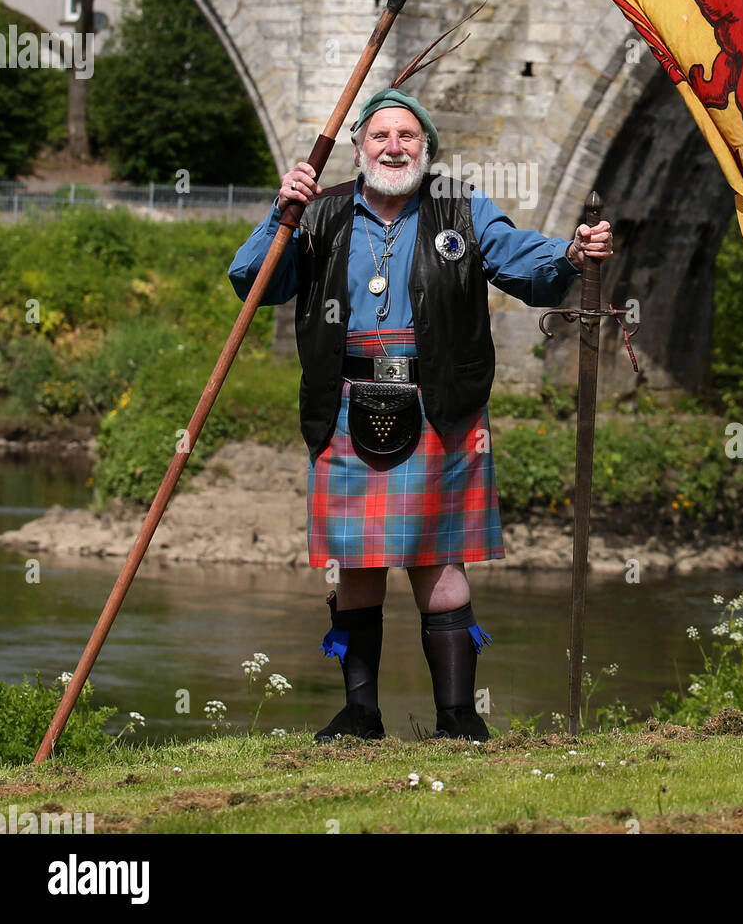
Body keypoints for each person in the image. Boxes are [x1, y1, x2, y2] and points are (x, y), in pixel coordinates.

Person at [228, 87, 612, 743]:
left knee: (439, 559)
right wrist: (280, 215)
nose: (394, 146)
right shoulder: (317, 213)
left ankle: (458, 718)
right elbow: (252, 281)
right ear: (358, 148)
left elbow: (522, 260)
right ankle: (359, 715)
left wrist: (571, 254)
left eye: (407, 136)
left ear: (426, 150)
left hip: (438, 404)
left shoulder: (459, 210)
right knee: (355, 563)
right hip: (345, 401)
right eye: (380, 136)